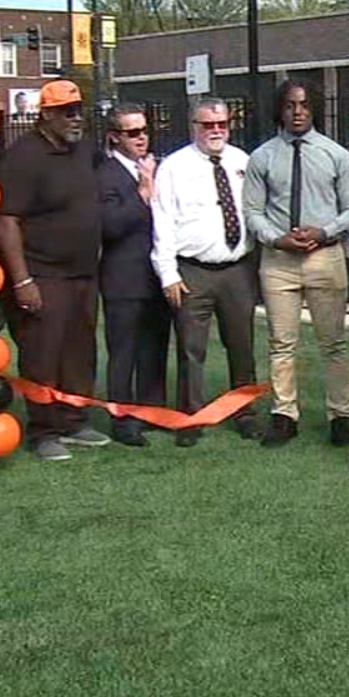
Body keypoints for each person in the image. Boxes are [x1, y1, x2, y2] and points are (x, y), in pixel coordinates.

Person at [242, 79, 349, 448]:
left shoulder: (336, 155)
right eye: (290, 105)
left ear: (315, 109)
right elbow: (252, 212)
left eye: (304, 105)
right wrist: (276, 238)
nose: (297, 112)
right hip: (279, 260)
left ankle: (341, 416)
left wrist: (324, 231)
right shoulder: (262, 157)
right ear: (279, 109)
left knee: (334, 343)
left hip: (325, 258)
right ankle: (284, 415)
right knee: (281, 343)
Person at [0, 79, 109, 461]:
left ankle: (74, 421)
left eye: (78, 110)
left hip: (83, 272)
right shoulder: (24, 157)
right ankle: (44, 431)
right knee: (42, 354)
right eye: (66, 112)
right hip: (42, 273)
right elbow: (6, 220)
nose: (76, 118)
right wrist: (21, 280)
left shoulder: (84, 150)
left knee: (80, 351)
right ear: (45, 115)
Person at [150, 97, 259, 447]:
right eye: (207, 125)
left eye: (221, 124)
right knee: (190, 348)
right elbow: (162, 221)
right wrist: (168, 273)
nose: (215, 130)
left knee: (242, 344)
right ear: (193, 126)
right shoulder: (174, 167)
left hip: (237, 269)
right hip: (192, 271)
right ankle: (190, 416)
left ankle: (244, 412)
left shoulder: (242, 161)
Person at [97, 102, 170, 447]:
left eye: (144, 130)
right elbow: (109, 226)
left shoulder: (158, 168)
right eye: (133, 132)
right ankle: (123, 419)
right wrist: (142, 194)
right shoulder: (105, 174)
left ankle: (153, 410)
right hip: (123, 278)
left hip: (157, 276)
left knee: (155, 348)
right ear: (115, 137)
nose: (142, 138)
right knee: (124, 352)